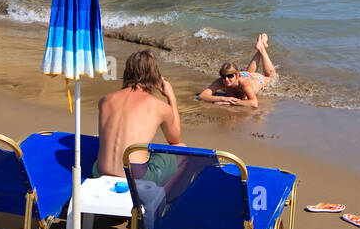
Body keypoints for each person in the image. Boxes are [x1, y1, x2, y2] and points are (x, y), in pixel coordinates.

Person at [95, 50, 182, 179]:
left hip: (100, 172)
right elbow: (175, 139)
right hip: (134, 177)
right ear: (155, 75)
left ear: (127, 73)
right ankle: (168, 194)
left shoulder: (105, 100)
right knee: (181, 149)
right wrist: (171, 96)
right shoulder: (159, 106)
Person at [197, 34, 277, 108]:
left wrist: (231, 102)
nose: (226, 79)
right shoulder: (221, 81)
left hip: (256, 79)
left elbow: (254, 103)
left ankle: (262, 50)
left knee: (272, 77)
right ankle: (260, 47)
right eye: (223, 76)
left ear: (237, 75)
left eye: (230, 76)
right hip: (245, 75)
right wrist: (223, 99)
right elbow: (202, 96)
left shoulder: (244, 83)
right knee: (249, 73)